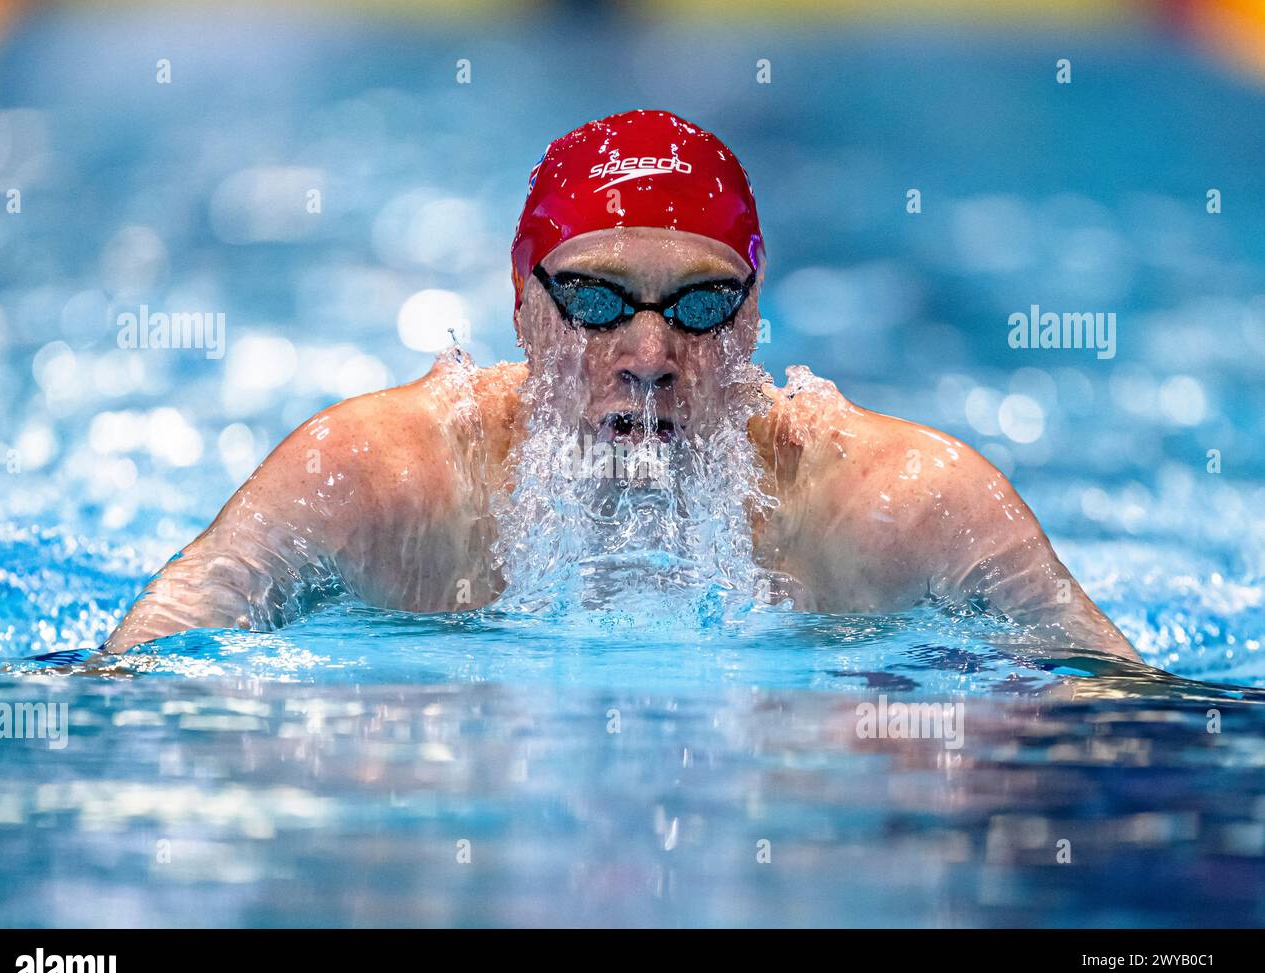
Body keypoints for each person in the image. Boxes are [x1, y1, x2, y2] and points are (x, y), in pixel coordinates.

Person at [104, 109, 1139, 662]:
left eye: (699, 305)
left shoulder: (899, 503)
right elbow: (135, 682)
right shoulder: (378, 479)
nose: (648, 354)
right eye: (595, 301)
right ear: (520, 304)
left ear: (755, 313)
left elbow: (1141, 719)